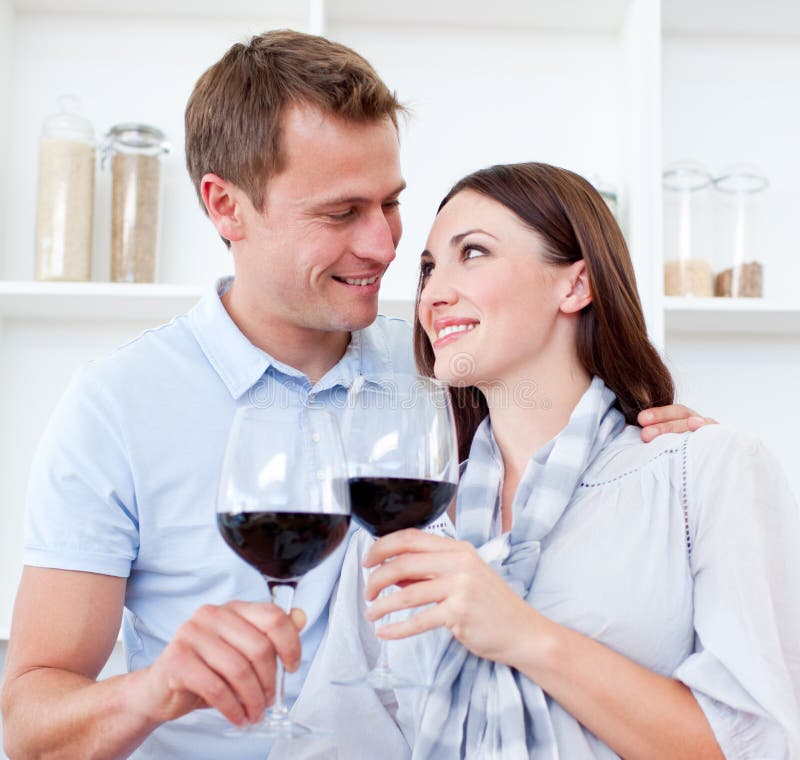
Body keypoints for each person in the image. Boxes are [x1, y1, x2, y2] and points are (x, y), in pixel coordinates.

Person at [0, 32, 705, 760]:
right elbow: (30, 724)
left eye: (391, 203)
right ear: (225, 207)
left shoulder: (445, 367)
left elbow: (577, 459)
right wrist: (152, 692)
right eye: (340, 214)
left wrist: (650, 431)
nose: (383, 245)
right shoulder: (117, 408)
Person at [354, 162, 800, 758]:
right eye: (429, 269)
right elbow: (346, 726)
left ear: (576, 285)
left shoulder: (706, 472)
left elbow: (758, 745)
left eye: (475, 253)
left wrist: (522, 634)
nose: (433, 293)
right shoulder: (407, 511)